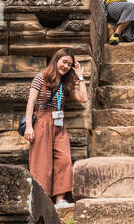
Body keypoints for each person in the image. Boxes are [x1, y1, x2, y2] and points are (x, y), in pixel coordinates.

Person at [23, 47, 87, 211]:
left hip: (59, 125)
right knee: (41, 162)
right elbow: (30, 103)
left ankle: (60, 201)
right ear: (56, 60)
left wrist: (80, 76)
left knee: (64, 160)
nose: (65, 66)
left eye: (69, 64)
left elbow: (84, 99)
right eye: (64, 61)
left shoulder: (65, 83)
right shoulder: (41, 78)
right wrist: (29, 127)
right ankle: (42, 200)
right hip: (42, 122)